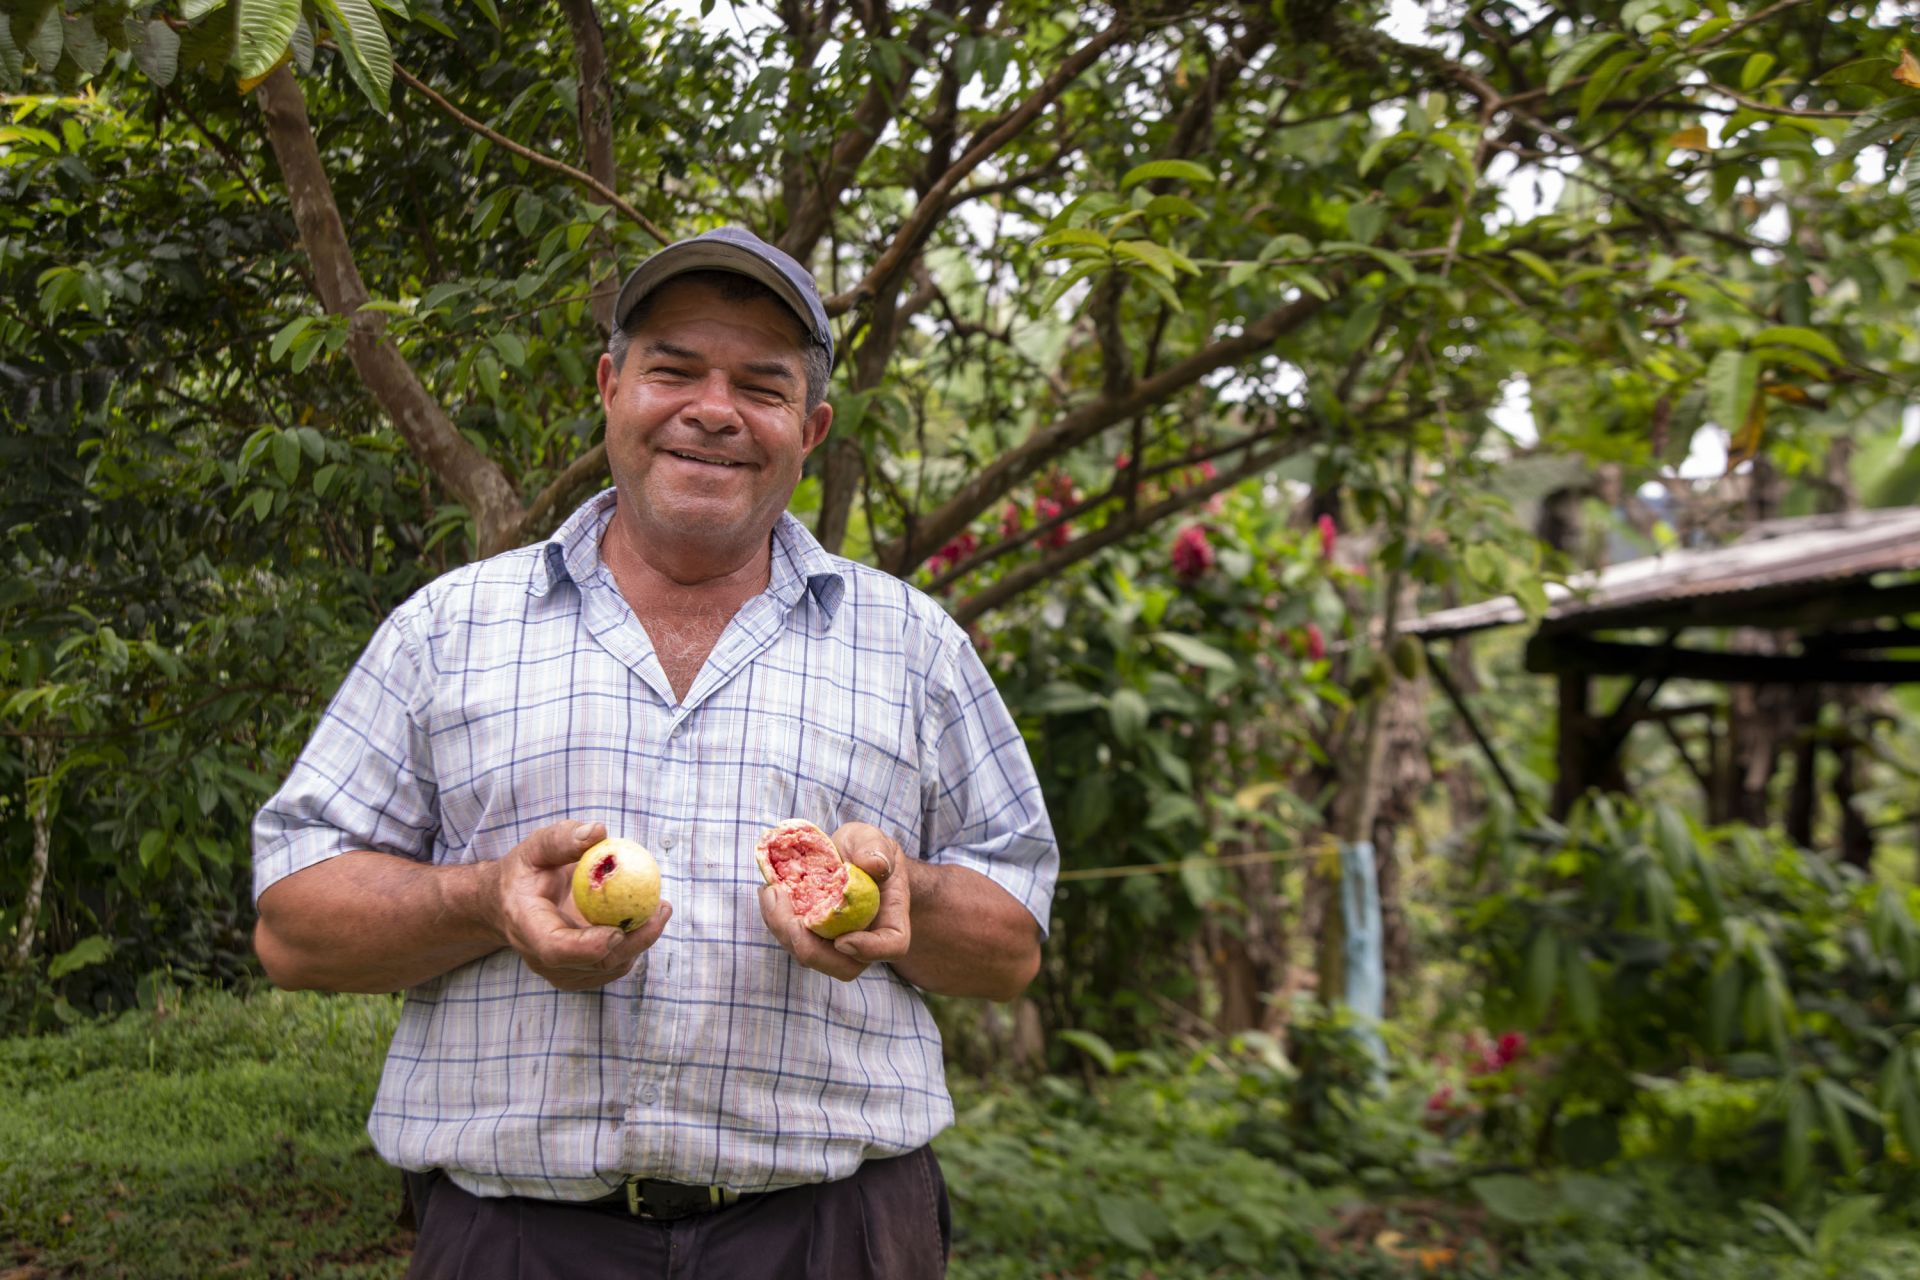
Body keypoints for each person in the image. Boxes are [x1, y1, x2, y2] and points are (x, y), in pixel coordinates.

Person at [251, 226, 1059, 1279]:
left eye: (761, 387)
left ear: (810, 429)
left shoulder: (914, 647)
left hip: (831, 1236)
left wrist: (907, 896)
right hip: (516, 1240)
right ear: (610, 388)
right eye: (674, 370)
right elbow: (292, 929)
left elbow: (1012, 945)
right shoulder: (448, 629)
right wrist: (486, 901)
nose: (714, 410)